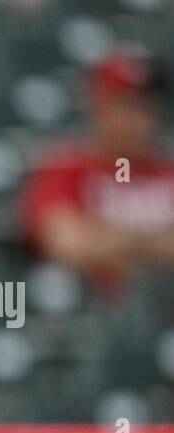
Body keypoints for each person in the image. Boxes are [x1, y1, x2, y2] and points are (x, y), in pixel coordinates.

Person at [20, 51, 174, 296]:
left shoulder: (169, 172)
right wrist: (156, 242)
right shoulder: (68, 168)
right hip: (94, 309)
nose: (138, 120)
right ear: (99, 106)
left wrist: (109, 239)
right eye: (126, 105)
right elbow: (68, 244)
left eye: (146, 107)